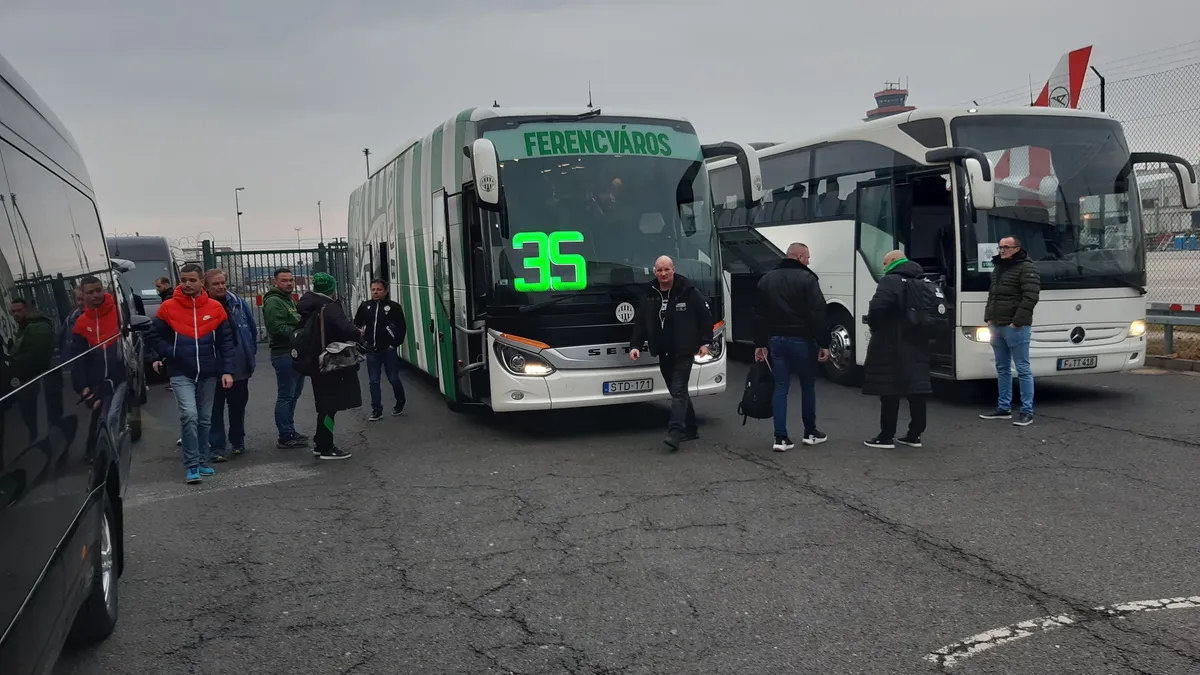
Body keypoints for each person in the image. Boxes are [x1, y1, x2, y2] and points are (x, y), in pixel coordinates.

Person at [150, 264, 235, 484]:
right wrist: (171, 353)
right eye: (183, 280)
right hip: (181, 371)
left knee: (205, 419)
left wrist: (227, 371)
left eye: (192, 280)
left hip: (208, 372)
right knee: (190, 415)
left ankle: (203, 461)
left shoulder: (216, 308)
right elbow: (155, 336)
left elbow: (226, 341)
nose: (187, 284)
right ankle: (191, 464)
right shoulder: (168, 307)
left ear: (201, 283)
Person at [629, 255, 713, 451]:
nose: (663, 274)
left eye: (667, 269)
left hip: (684, 350)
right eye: (660, 270)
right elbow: (640, 323)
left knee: (677, 390)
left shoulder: (688, 291)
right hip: (663, 351)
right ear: (655, 272)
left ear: (673, 269)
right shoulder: (650, 293)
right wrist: (635, 346)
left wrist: (705, 343)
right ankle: (691, 428)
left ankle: (675, 432)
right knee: (678, 392)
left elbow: (705, 317)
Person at [752, 243, 830, 451]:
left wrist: (760, 343)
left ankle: (780, 438)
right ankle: (810, 432)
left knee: (780, 387)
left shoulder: (767, 279)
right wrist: (824, 343)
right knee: (807, 386)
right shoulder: (808, 279)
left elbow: (759, 315)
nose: (809, 261)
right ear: (799, 257)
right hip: (803, 341)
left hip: (776, 340)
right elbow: (818, 313)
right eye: (807, 257)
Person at [861, 250, 933, 449]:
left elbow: (877, 308)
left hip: (890, 342)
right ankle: (914, 435)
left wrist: (876, 328)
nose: (884, 268)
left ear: (893, 261)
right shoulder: (923, 281)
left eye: (885, 263)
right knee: (916, 389)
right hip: (918, 342)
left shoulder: (890, 281)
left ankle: (886, 436)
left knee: (889, 389)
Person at [296, 272, 361, 460]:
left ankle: (321, 441)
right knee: (329, 407)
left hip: (314, 360)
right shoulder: (329, 307)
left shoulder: (307, 304)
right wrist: (359, 333)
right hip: (330, 361)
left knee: (324, 404)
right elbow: (348, 330)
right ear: (331, 288)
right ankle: (325, 445)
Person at [980, 236, 1041, 426]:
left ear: (1017, 248)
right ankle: (1003, 408)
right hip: (997, 324)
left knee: (1022, 368)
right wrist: (988, 319)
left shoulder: (1027, 267)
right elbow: (993, 295)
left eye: (1006, 247)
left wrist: (1017, 322)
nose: (1002, 250)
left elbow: (1030, 297)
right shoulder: (998, 267)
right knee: (1002, 368)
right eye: (1000, 247)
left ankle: (1027, 411)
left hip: (1015, 327)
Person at [203, 269, 257, 461]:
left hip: (240, 367)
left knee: (238, 406)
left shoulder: (238, 303)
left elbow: (251, 329)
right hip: (213, 368)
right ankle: (216, 446)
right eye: (215, 284)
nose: (221, 287)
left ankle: (237, 441)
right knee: (214, 409)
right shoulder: (202, 307)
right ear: (206, 287)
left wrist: (250, 352)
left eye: (222, 283)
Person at [69, 277, 128, 449]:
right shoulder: (80, 323)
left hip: (120, 377)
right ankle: (105, 450)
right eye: (90, 292)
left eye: (98, 290)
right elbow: (78, 357)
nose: (96, 295)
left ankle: (114, 452)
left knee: (112, 416)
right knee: (104, 418)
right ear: (84, 295)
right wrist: (83, 386)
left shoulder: (118, 312)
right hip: (98, 383)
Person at [262, 268, 309, 449]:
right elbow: (277, 327)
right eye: (284, 280)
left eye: (290, 280)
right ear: (275, 282)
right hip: (284, 353)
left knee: (294, 395)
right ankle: (285, 435)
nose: (289, 283)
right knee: (286, 395)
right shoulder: (274, 301)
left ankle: (289, 430)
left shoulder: (288, 299)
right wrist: (300, 334)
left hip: (295, 353)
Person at [353, 279, 407, 420]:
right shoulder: (365, 307)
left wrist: (394, 343)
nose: (376, 292)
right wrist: (362, 339)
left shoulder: (394, 307)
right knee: (374, 381)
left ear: (385, 291)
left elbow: (402, 328)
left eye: (379, 289)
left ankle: (400, 401)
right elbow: (357, 323)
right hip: (372, 350)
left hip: (388, 350)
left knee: (393, 378)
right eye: (373, 289)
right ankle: (377, 410)